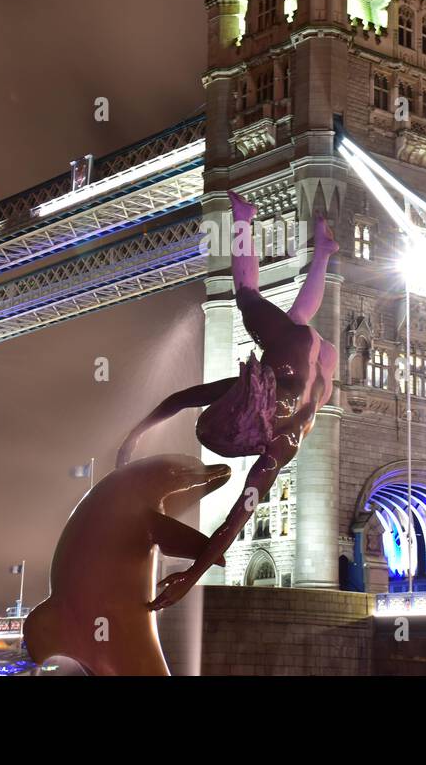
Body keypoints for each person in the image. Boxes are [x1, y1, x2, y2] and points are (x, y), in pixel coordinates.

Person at [116, 190, 338, 609]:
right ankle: (248, 220)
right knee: (250, 296)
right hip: (297, 356)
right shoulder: (260, 413)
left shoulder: (281, 443)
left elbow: (238, 515)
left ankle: (306, 243)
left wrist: (133, 438)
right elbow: (181, 399)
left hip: (321, 374)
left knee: (274, 308)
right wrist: (132, 438)